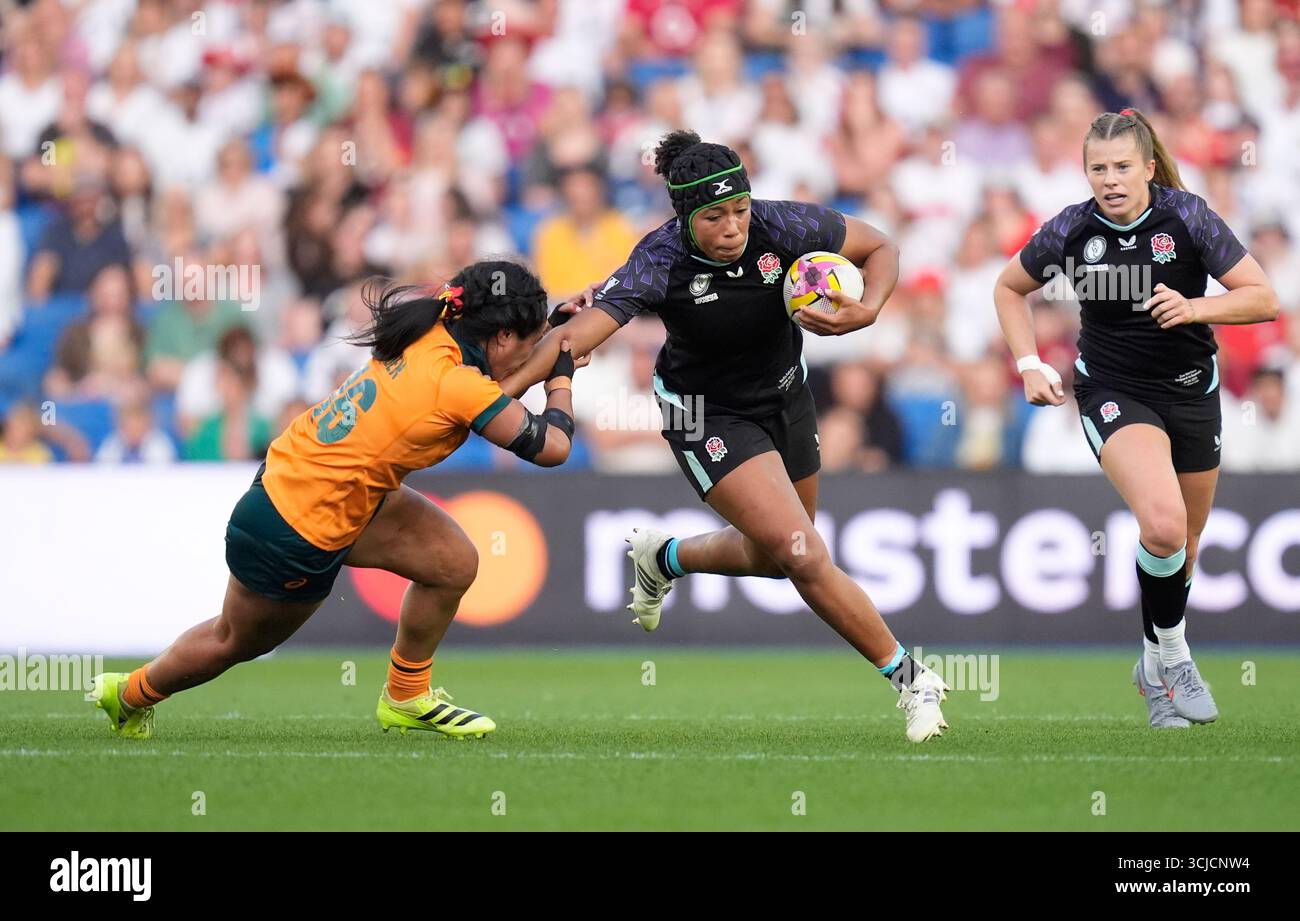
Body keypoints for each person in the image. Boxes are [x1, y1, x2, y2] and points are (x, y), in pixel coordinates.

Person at [502, 131, 951, 743]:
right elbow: (573, 337)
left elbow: (882, 247)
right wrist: (498, 399)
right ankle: (911, 679)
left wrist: (868, 309)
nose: (734, 226)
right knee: (801, 550)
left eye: (739, 208)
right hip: (701, 412)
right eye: (715, 216)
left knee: (777, 558)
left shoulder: (783, 226)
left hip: (786, 397)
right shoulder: (660, 258)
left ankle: (663, 557)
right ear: (685, 217)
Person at [91, 261, 581, 740]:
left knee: (452, 562)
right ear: (499, 338)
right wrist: (560, 378)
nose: (529, 350)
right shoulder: (456, 384)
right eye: (527, 339)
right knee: (233, 640)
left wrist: (553, 331)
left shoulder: (431, 327)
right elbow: (552, 447)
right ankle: (129, 694)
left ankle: (406, 697)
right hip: (296, 524)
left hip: (303, 483)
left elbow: (486, 390)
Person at [993, 109, 1279, 729]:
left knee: (1186, 541)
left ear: (1149, 168)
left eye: (1123, 166)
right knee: (1164, 523)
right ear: (1086, 172)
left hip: (1192, 394)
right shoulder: (1072, 228)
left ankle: (1150, 663)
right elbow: (1009, 288)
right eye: (1099, 168)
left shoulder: (1188, 216)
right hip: (1114, 393)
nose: (1110, 179)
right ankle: (1173, 660)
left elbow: (1263, 298)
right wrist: (1028, 363)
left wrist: (1197, 306)